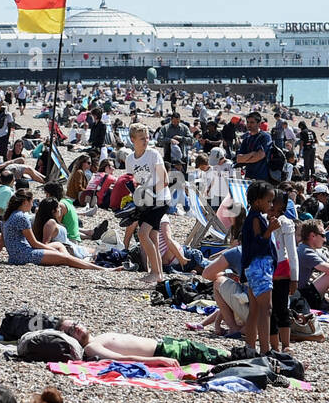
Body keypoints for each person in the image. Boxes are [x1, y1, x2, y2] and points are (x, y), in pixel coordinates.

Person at [0, 190, 104, 270]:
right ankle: (102, 269)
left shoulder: (9, 216)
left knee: (58, 246)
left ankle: (81, 261)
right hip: (24, 255)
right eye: (31, 201)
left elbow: (2, 240)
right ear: (25, 202)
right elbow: (34, 243)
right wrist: (53, 251)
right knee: (64, 258)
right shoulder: (21, 217)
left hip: (14, 257)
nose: (32, 204)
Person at [56, 319, 232, 366]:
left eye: (75, 324)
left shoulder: (99, 337)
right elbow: (120, 359)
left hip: (168, 345)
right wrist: (156, 361)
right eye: (71, 331)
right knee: (222, 358)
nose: (76, 328)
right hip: (166, 353)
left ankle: (254, 357)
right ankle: (255, 359)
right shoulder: (91, 348)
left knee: (217, 353)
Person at [125, 123, 171, 286]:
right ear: (133, 140)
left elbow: (164, 180)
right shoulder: (130, 159)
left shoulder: (153, 154)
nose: (146, 141)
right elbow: (132, 182)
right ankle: (158, 275)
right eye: (142, 138)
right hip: (145, 202)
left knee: (143, 234)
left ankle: (156, 272)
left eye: (147, 138)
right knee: (152, 237)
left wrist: (146, 193)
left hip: (160, 200)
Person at [241, 180, 281, 356]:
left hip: (252, 267)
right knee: (266, 309)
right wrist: (270, 230)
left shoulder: (252, 217)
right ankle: (265, 350)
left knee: (255, 309)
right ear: (258, 202)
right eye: (269, 201)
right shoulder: (256, 219)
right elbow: (257, 244)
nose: (271, 205)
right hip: (260, 266)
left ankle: (250, 347)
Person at [234, 111, 273, 183]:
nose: (249, 125)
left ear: (259, 124)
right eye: (248, 122)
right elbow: (239, 159)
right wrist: (252, 154)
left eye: (252, 122)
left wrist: (245, 159)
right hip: (248, 176)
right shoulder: (247, 139)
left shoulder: (265, 136)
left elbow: (260, 156)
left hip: (262, 177)